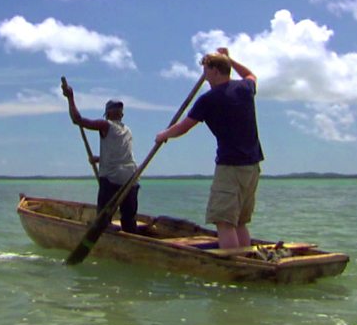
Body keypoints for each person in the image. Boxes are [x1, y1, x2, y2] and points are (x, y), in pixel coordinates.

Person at [156, 47, 263, 250]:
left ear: (215, 70)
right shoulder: (244, 88)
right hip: (253, 166)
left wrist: (164, 134)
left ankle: (234, 267)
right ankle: (246, 259)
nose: (204, 76)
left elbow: (183, 127)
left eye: (206, 70)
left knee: (224, 222)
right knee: (239, 221)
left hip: (231, 167)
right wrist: (230, 60)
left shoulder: (208, 99)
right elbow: (251, 75)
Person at [61, 82, 141, 233]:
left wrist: (70, 98)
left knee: (102, 219)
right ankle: (130, 233)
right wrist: (98, 159)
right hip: (131, 180)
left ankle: (105, 224)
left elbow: (77, 120)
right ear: (121, 114)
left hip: (112, 179)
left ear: (108, 114)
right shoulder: (127, 130)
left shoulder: (106, 125)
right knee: (129, 221)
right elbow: (121, 155)